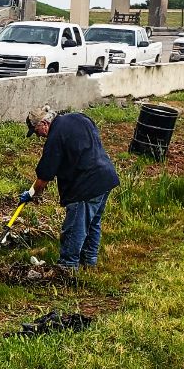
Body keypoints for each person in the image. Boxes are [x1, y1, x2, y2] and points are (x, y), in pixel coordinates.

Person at [20, 105, 120, 270]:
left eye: (37, 132)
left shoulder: (55, 136)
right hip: (105, 177)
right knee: (92, 224)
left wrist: (33, 194)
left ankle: (67, 268)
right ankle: (89, 263)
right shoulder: (79, 117)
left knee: (74, 228)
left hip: (85, 186)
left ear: (44, 123)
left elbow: (44, 176)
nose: (39, 137)